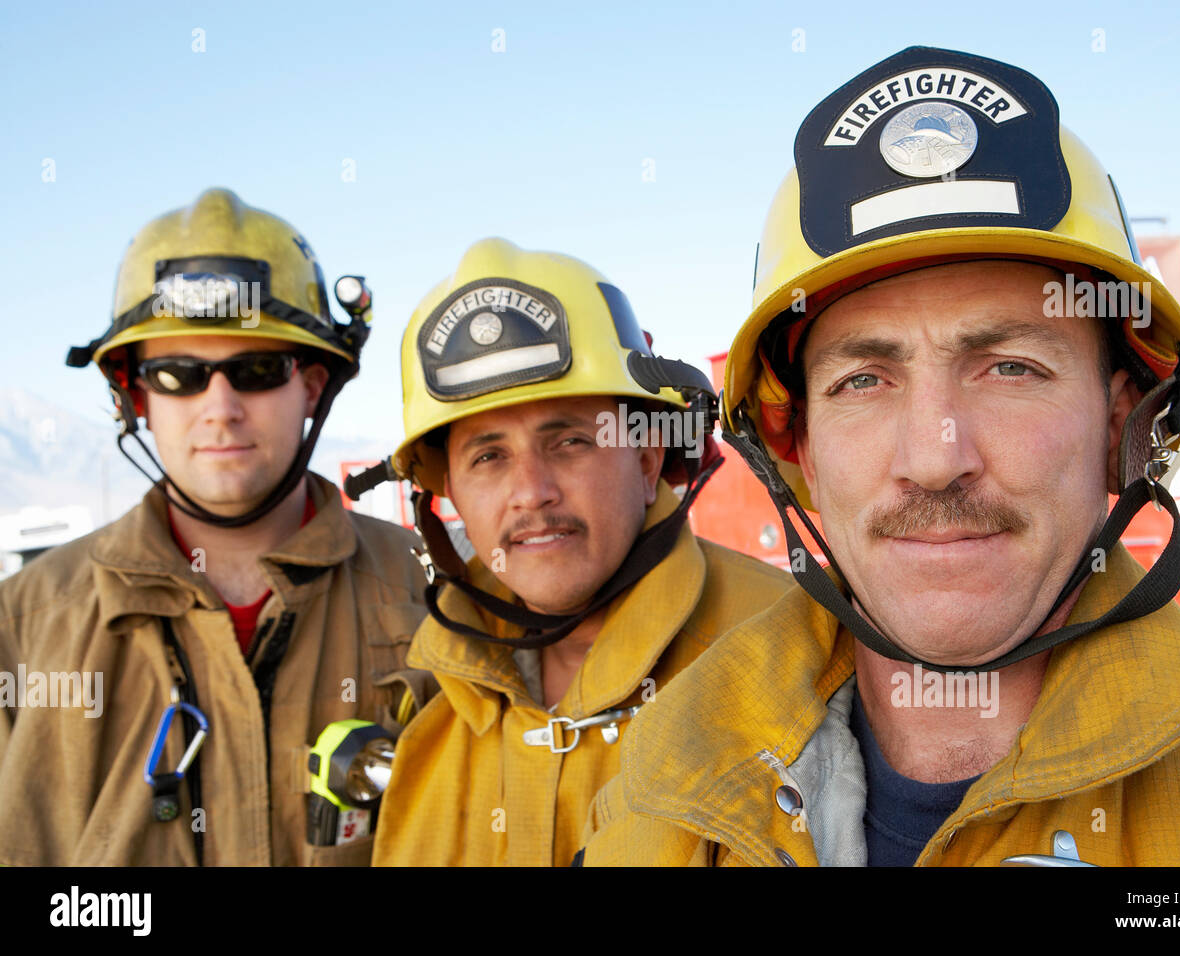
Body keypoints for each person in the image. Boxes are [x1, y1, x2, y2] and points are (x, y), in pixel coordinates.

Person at [576, 47, 1180, 866]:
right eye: (863, 380)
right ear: (799, 450)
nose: (933, 458)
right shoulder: (650, 803)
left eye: (1010, 368)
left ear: (1124, 428)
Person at [0, 188, 429, 865]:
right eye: (179, 374)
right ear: (135, 396)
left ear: (312, 386)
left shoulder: (430, 591)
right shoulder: (24, 623)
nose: (220, 408)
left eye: (258, 370)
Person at [370, 238, 793, 866]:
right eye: (488, 456)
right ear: (448, 491)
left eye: (569, 440)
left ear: (647, 460)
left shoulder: (790, 652)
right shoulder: (431, 714)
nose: (531, 493)